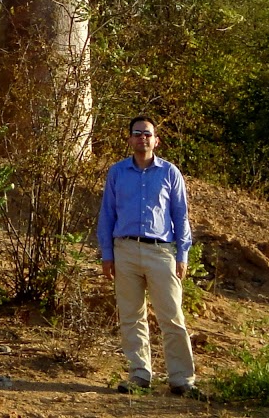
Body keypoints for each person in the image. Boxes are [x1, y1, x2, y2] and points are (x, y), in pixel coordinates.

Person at [96, 116, 199, 398]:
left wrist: (183, 253)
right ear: (129, 139)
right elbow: (107, 213)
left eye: (147, 134)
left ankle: (181, 379)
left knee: (172, 317)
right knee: (131, 316)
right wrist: (107, 253)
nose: (142, 138)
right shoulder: (117, 172)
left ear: (156, 140)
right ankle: (139, 375)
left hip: (161, 252)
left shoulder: (169, 173)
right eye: (137, 133)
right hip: (125, 250)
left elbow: (181, 215)